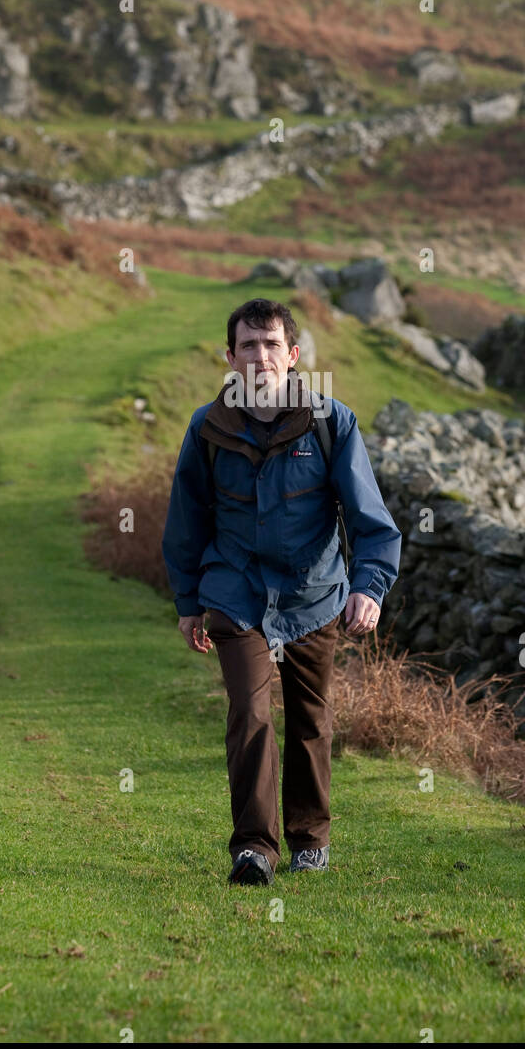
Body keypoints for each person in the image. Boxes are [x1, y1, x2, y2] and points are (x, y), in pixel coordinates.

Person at [161, 298, 402, 885]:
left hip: (313, 595)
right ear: (230, 357)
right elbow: (186, 522)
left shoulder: (330, 422)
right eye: (249, 345)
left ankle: (309, 839)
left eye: (272, 345)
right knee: (249, 712)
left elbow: (371, 520)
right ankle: (254, 849)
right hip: (235, 592)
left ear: (293, 355)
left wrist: (369, 587)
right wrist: (189, 602)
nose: (260, 356)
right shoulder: (207, 428)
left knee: (310, 719)